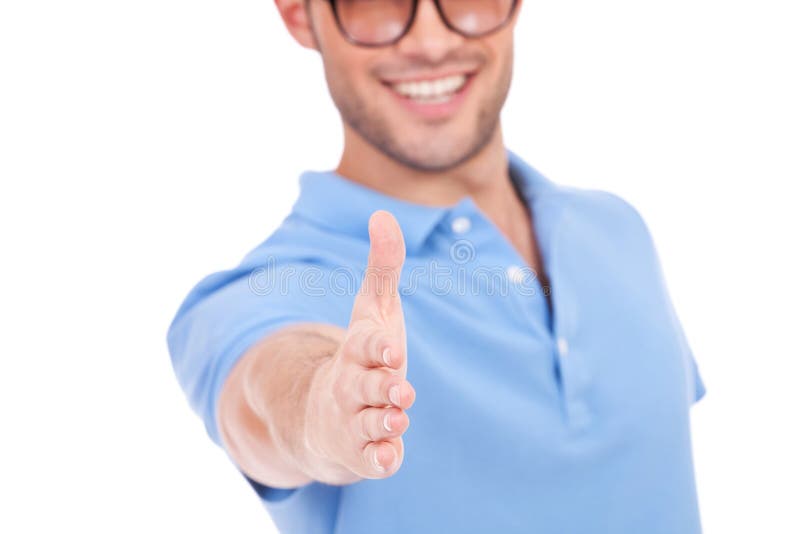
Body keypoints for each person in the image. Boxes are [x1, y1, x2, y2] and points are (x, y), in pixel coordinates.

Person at [167, 0, 707, 531]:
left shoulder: (619, 229)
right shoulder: (264, 290)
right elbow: (263, 396)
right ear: (299, 14)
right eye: (377, 2)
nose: (431, 42)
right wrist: (323, 410)